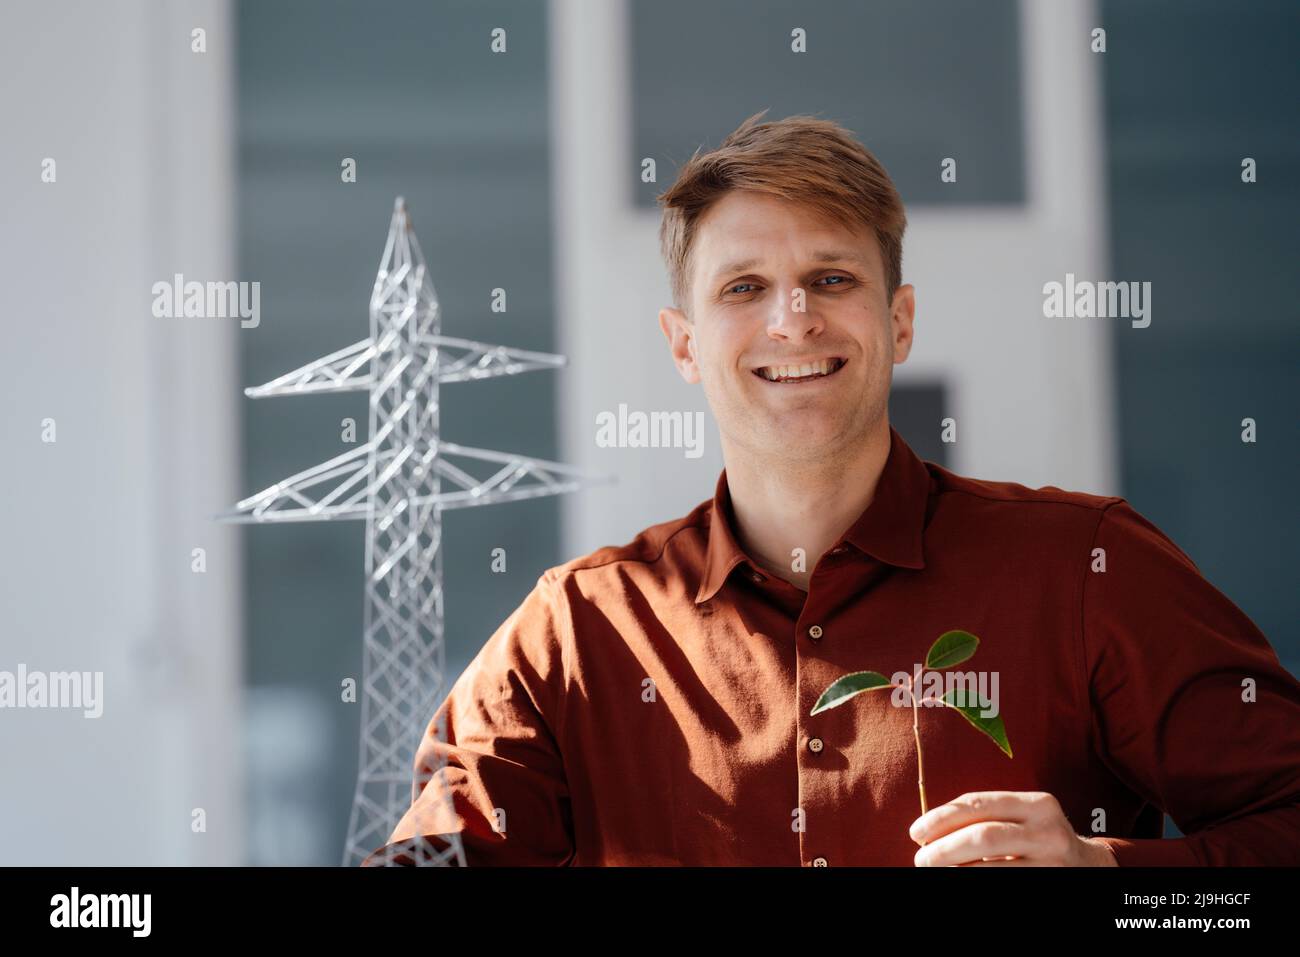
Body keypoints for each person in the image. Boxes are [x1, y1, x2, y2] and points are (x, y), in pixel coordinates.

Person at [362, 111, 1300, 866]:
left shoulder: (1089, 567)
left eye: (831, 276)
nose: (793, 317)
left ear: (899, 321)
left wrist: (1107, 876)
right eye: (742, 287)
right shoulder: (574, 632)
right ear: (683, 344)